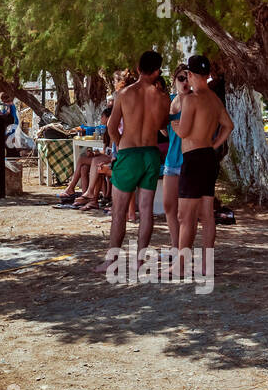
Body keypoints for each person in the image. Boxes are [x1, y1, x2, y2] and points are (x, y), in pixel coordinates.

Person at [97, 51, 170, 271]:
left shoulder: (124, 94)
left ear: (138, 69)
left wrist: (122, 146)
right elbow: (162, 127)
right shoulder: (163, 97)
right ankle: (140, 260)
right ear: (157, 71)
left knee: (119, 211)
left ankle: (112, 261)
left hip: (130, 153)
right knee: (146, 210)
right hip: (150, 153)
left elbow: (111, 127)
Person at [171, 54, 234, 277]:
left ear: (190, 74)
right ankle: (207, 264)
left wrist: (174, 125)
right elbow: (229, 125)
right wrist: (213, 144)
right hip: (207, 156)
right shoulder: (214, 99)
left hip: (194, 158)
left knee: (185, 216)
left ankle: (180, 266)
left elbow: (185, 131)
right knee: (207, 215)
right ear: (207, 75)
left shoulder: (192, 99)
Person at [161, 64, 190, 243]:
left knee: (185, 211)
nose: (185, 82)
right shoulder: (169, 101)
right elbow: (165, 131)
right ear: (174, 81)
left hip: (190, 160)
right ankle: (175, 245)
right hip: (172, 160)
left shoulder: (196, 100)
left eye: (188, 78)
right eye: (181, 78)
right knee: (169, 206)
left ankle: (184, 248)